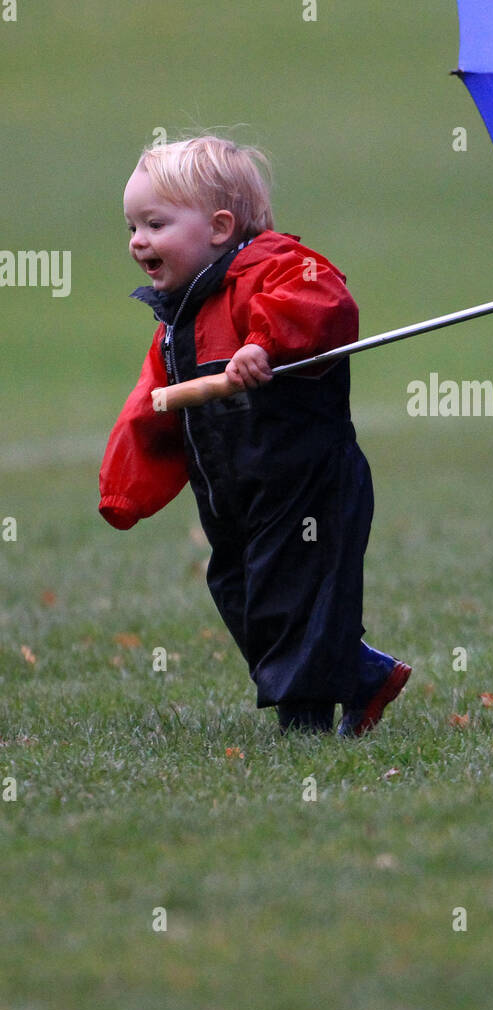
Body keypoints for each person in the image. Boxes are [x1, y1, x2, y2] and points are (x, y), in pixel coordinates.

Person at [98, 135, 410, 736]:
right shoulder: (179, 317)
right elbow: (152, 403)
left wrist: (263, 343)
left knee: (290, 597)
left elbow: (324, 302)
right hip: (233, 496)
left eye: (155, 224)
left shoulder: (275, 268)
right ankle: (363, 675)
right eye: (132, 226)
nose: (138, 241)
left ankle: (307, 726)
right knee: (239, 591)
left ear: (218, 227)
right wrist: (125, 490)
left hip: (304, 483)